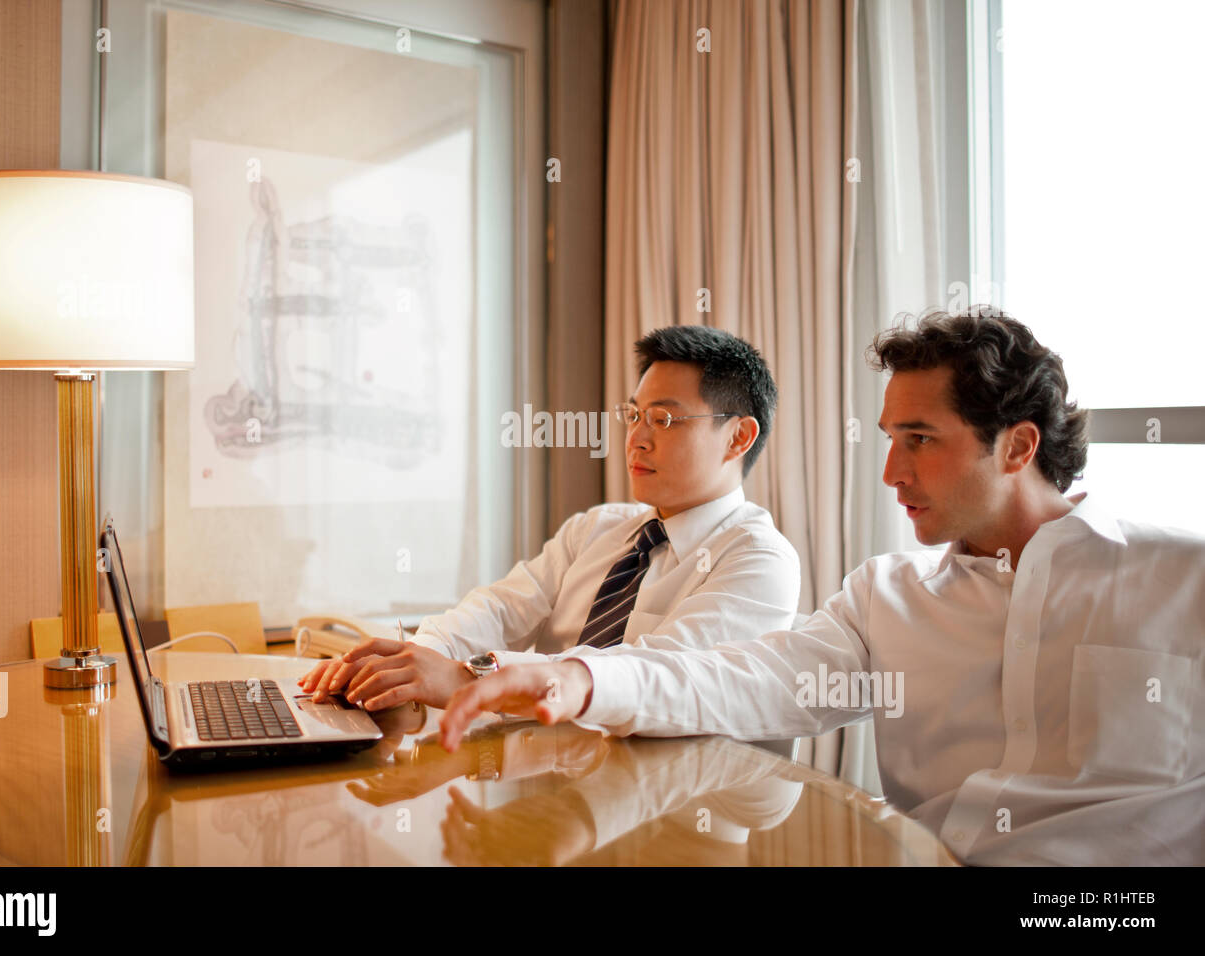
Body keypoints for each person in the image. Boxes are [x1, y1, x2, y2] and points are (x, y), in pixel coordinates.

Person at [439, 309, 1205, 866]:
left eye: (921, 441)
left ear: (1018, 447)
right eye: (889, 440)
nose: (891, 474)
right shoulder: (887, 597)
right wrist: (575, 677)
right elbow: (745, 674)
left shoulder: (1183, 579)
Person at [299, 325, 801, 710]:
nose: (637, 438)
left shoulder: (758, 559)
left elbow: (653, 676)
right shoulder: (600, 527)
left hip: (670, 812)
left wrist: (471, 679)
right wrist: (412, 661)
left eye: (664, 419)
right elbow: (500, 608)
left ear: (738, 437)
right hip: (542, 773)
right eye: (634, 415)